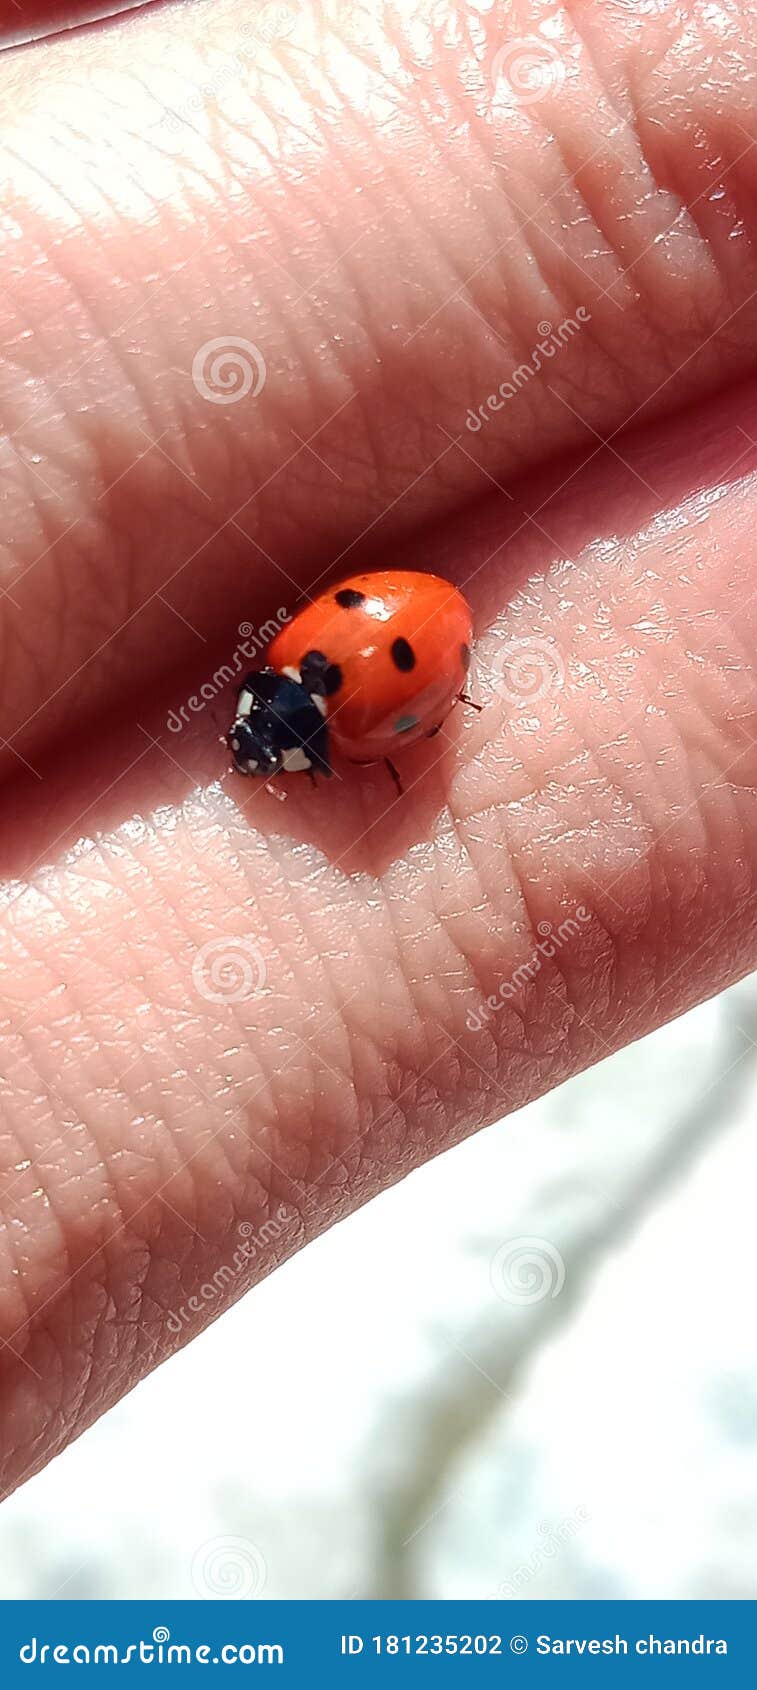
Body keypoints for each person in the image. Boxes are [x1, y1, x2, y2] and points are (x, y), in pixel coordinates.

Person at [0, 0, 755, 1497]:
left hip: (395, 630)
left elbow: (368, 667)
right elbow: (359, 668)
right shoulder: (315, 695)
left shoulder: (314, 694)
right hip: (386, 633)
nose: (262, 761)